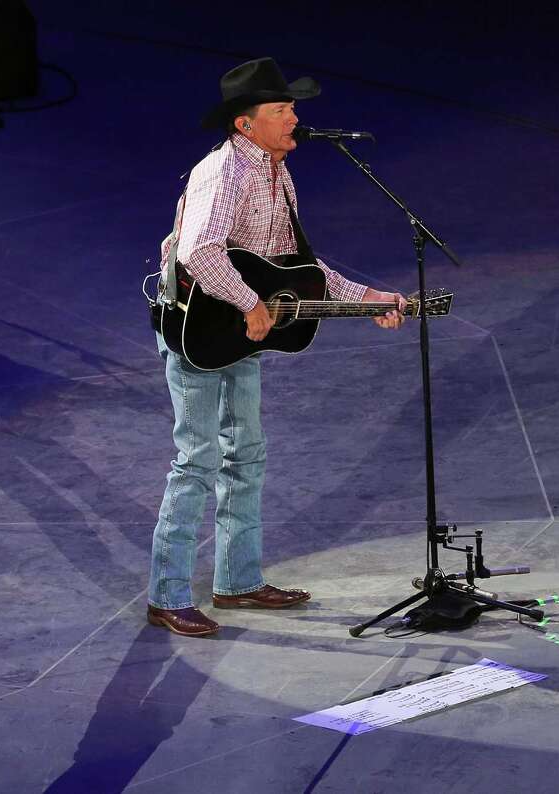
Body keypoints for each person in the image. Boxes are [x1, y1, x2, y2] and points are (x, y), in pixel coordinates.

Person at [147, 57, 406, 637]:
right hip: (200, 330)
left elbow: (299, 267)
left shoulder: (276, 173)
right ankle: (166, 595)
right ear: (246, 124)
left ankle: (238, 583)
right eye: (281, 108)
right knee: (197, 460)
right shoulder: (221, 172)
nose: (294, 116)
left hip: (238, 329)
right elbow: (199, 253)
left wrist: (370, 298)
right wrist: (248, 303)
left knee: (248, 456)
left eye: (293, 106)